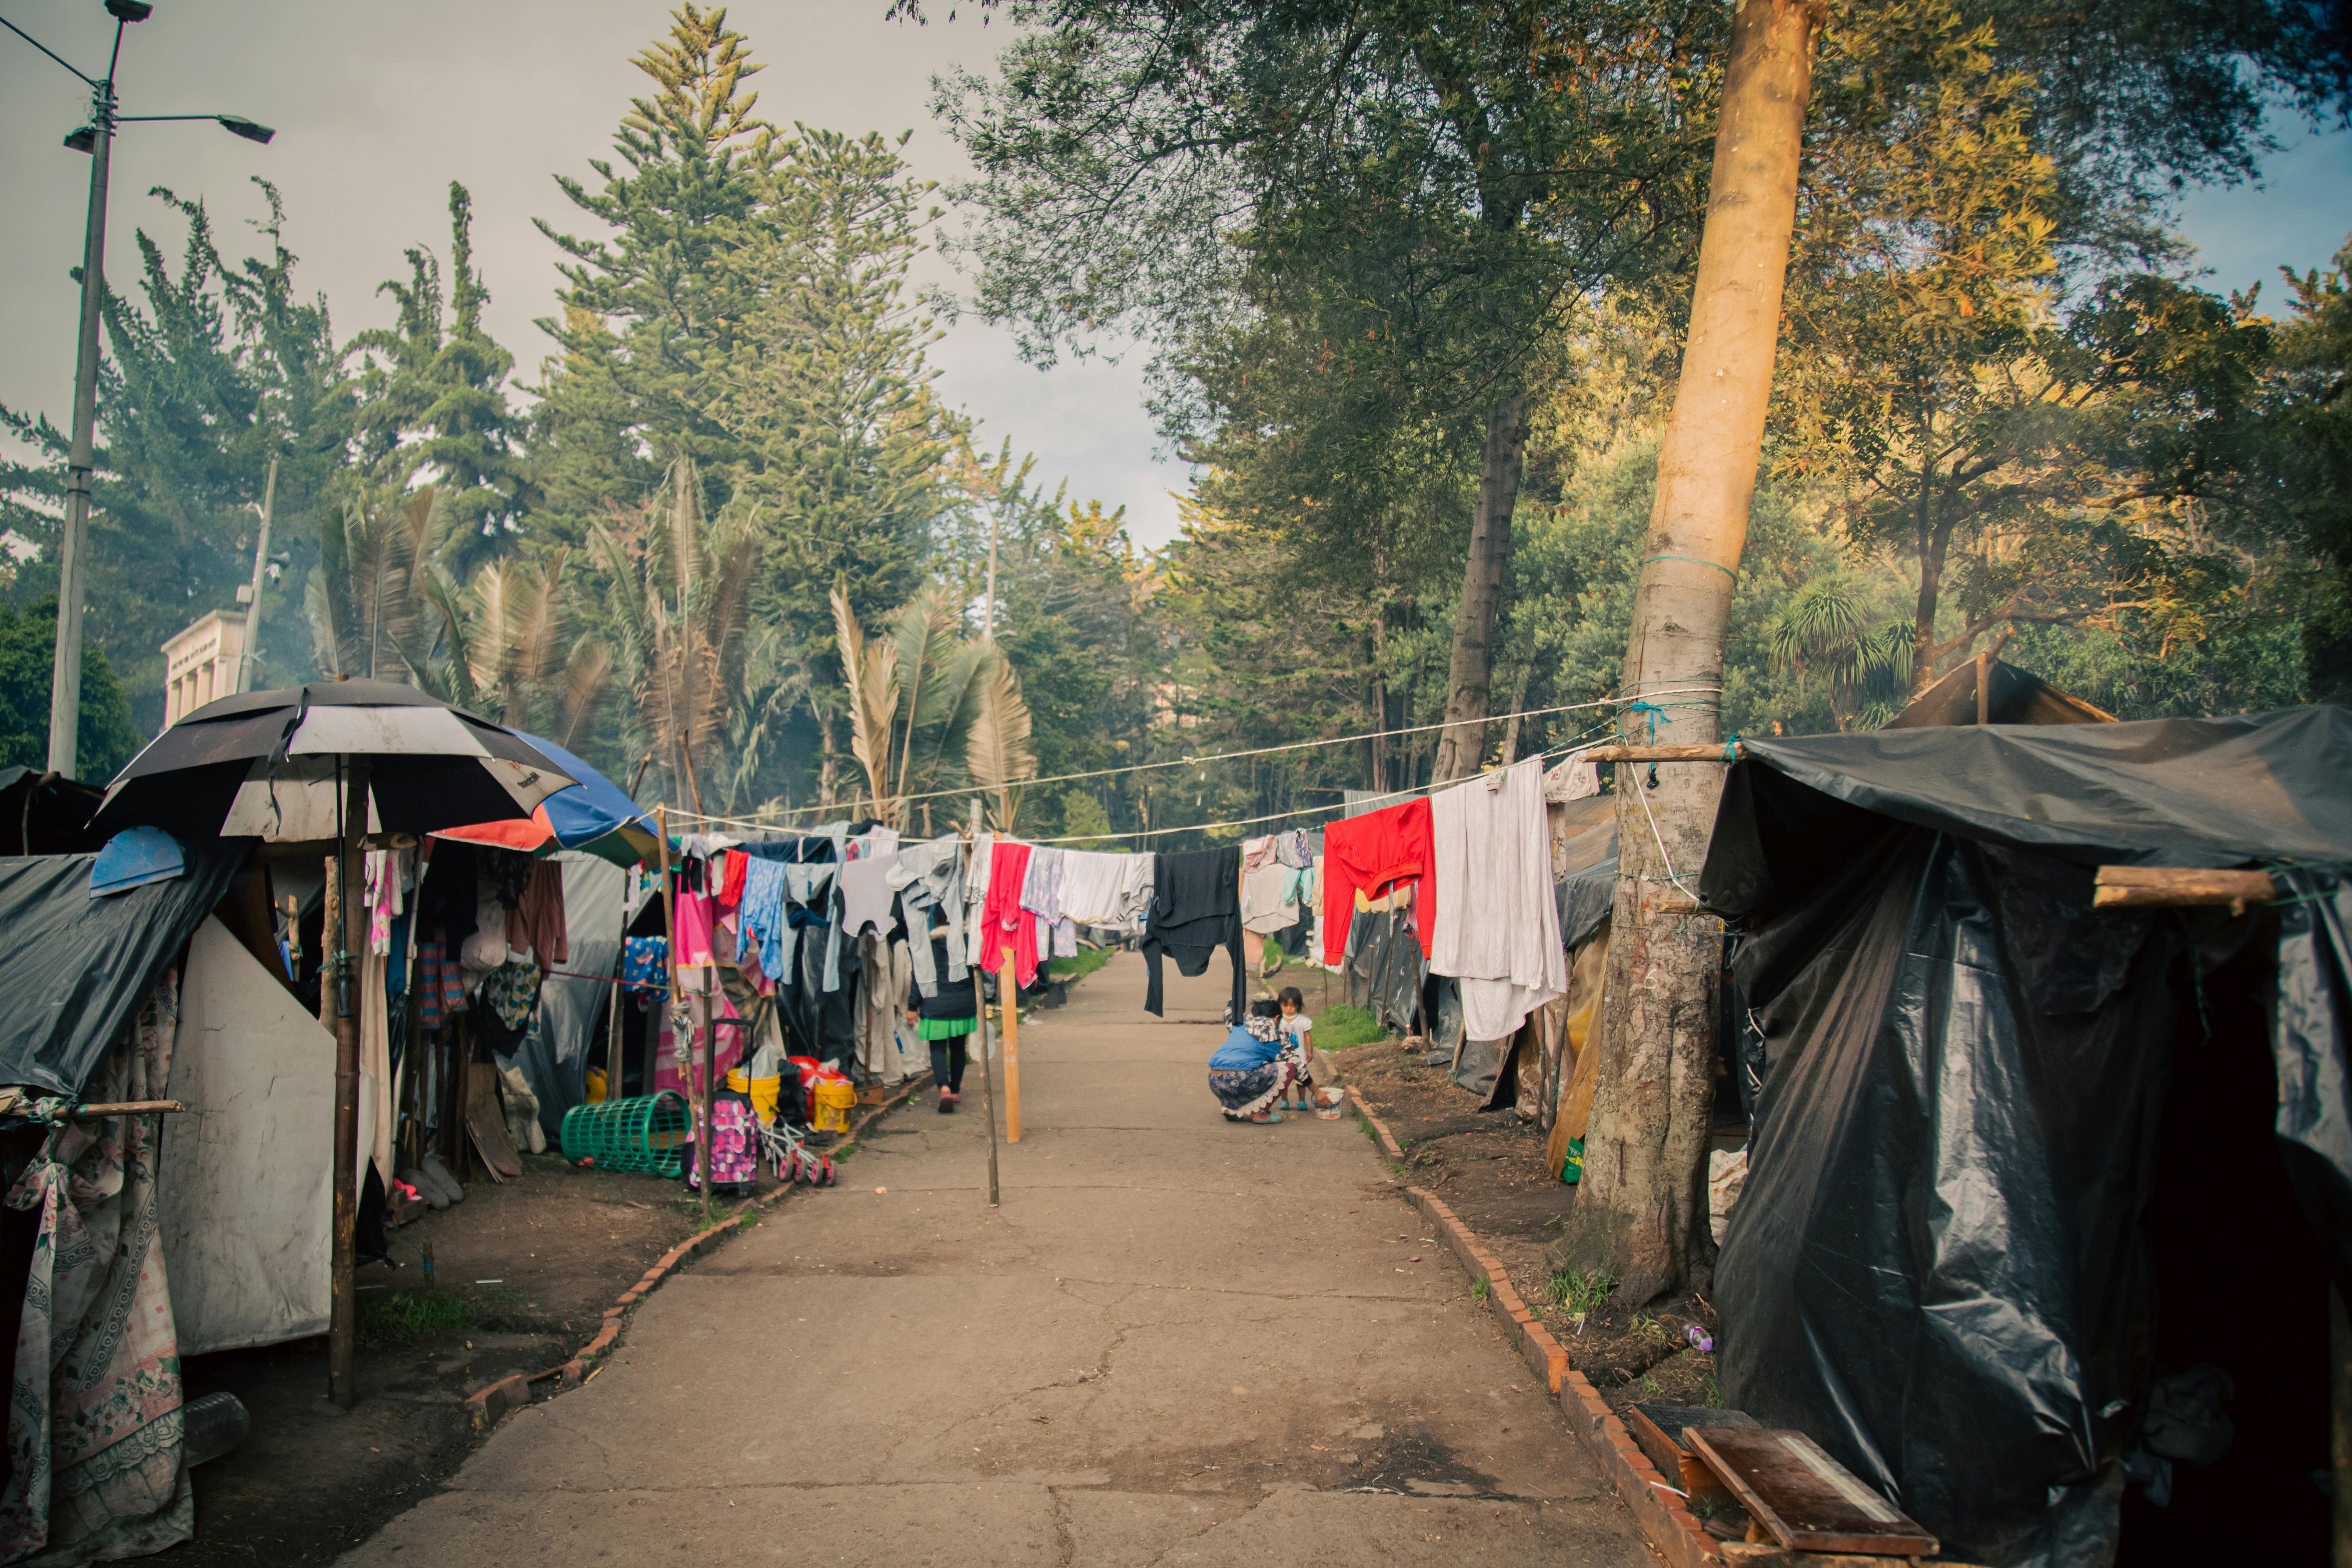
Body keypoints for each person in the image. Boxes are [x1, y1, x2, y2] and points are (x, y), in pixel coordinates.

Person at [906, 926, 977, 1113]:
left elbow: (919, 978)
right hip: (963, 1003)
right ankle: (955, 1091)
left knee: (937, 1048)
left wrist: (913, 1006)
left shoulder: (928, 946)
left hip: (935, 1003)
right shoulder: (969, 942)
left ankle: (944, 1089)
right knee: (958, 1048)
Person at [1207, 998, 1307, 1124]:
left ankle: (1230, 1108)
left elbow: (1230, 1010)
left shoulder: (1239, 1023)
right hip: (1240, 1079)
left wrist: (1237, 993)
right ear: (1277, 1018)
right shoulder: (1277, 1036)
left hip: (1215, 1081)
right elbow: (1299, 1068)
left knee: (1259, 1065)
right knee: (1289, 1068)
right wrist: (1318, 1092)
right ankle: (1261, 1113)